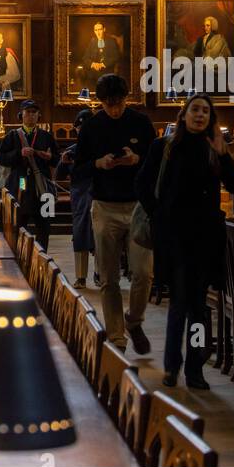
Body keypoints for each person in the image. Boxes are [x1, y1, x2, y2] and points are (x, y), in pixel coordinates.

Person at [135, 93, 234, 389]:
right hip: (174, 238)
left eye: (205, 112)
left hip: (205, 239)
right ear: (183, 115)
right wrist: (159, 216)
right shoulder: (165, 147)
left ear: (211, 119)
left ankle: (194, 368)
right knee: (179, 303)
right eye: (195, 110)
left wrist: (223, 155)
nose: (199, 115)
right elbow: (142, 184)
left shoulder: (213, 149)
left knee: (197, 307)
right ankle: (172, 366)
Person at [73, 73, 156, 353]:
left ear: (125, 99)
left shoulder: (141, 123)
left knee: (144, 273)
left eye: (119, 103)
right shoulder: (91, 128)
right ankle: (117, 338)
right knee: (108, 278)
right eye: (109, 105)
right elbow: (76, 171)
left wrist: (138, 159)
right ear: (101, 103)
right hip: (104, 207)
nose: (115, 109)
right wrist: (98, 163)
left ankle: (134, 320)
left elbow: (156, 166)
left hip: (137, 207)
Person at [0, 100, 58, 251]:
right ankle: (18, 254)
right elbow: (1, 158)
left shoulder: (46, 136)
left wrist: (49, 157)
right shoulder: (13, 136)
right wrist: (19, 153)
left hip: (43, 185)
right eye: (28, 112)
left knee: (45, 223)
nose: (31, 115)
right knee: (19, 221)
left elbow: (57, 159)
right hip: (21, 182)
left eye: (34, 112)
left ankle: (43, 256)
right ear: (21, 115)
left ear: (38, 115)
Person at [57, 107, 95, 286]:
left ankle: (99, 273)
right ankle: (81, 276)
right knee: (80, 234)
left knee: (100, 237)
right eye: (80, 129)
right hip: (80, 195)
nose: (82, 131)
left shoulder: (100, 149)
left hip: (98, 194)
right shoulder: (72, 150)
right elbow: (59, 175)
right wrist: (64, 163)